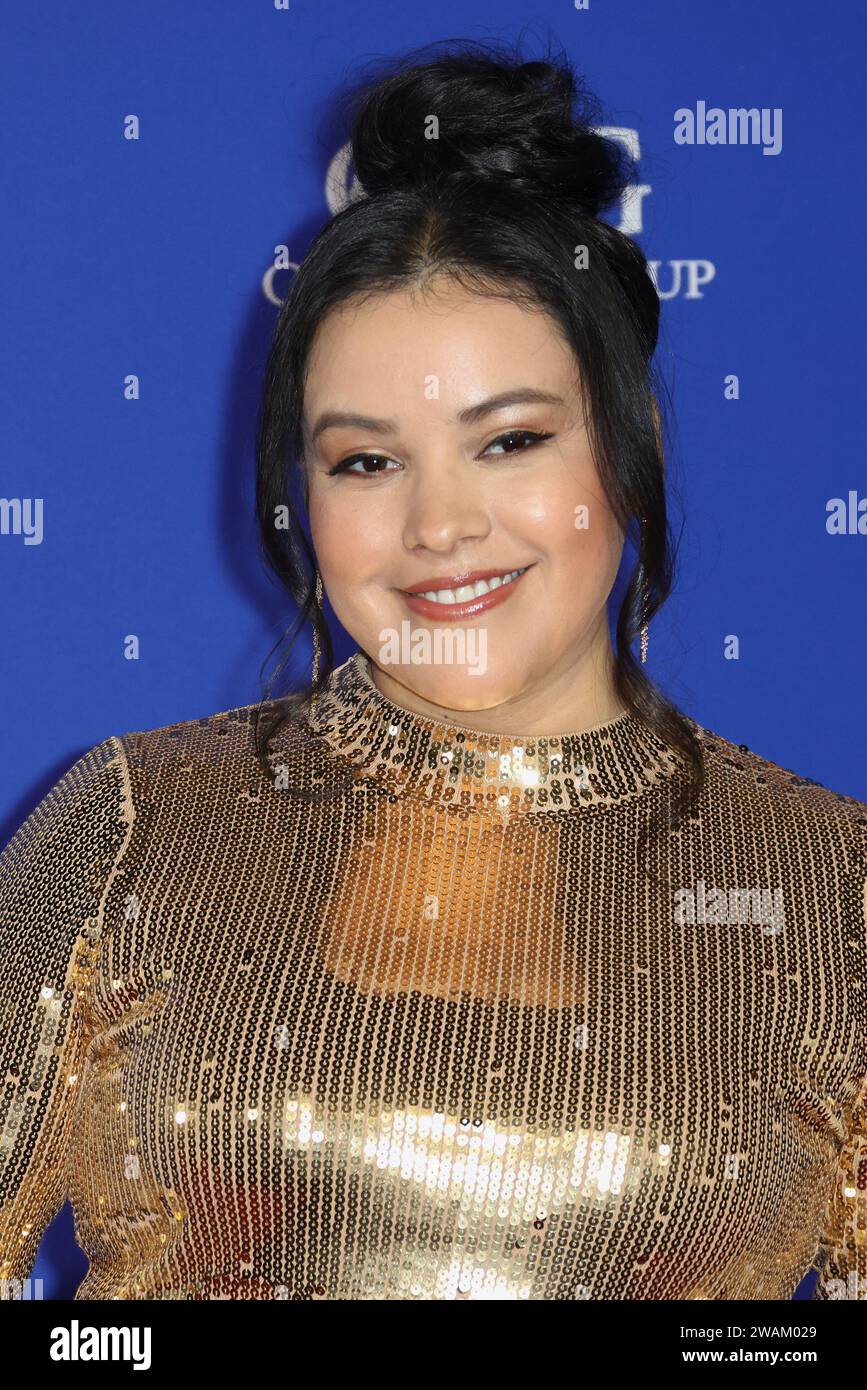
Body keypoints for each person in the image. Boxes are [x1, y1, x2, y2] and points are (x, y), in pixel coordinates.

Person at [1, 39, 865, 1302]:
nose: (441, 526)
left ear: (631, 444)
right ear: (301, 493)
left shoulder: (832, 891)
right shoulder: (131, 822)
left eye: (510, 440)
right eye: (366, 460)